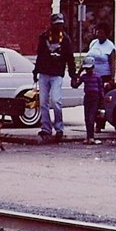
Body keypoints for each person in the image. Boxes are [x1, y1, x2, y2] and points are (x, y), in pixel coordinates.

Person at [33, 12, 77, 143]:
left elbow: (70, 58)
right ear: (51, 25)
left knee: (56, 101)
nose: (59, 28)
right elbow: (39, 55)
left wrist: (73, 75)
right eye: (56, 25)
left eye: (61, 25)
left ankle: (59, 127)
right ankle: (46, 128)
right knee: (43, 102)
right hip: (44, 73)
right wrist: (35, 71)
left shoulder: (66, 40)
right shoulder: (44, 37)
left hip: (57, 74)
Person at [72, 55, 105, 145]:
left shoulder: (97, 77)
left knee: (91, 117)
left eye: (89, 68)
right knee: (87, 118)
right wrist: (78, 73)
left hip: (95, 98)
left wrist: (102, 101)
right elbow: (75, 85)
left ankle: (91, 137)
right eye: (86, 69)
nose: (88, 70)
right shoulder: (84, 77)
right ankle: (88, 136)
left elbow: (101, 89)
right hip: (87, 97)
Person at [85, 23, 116, 89]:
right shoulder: (93, 43)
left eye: (102, 33)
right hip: (92, 75)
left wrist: (112, 78)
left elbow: (112, 64)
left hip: (104, 76)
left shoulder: (110, 46)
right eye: (98, 32)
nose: (99, 35)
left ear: (106, 34)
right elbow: (88, 58)